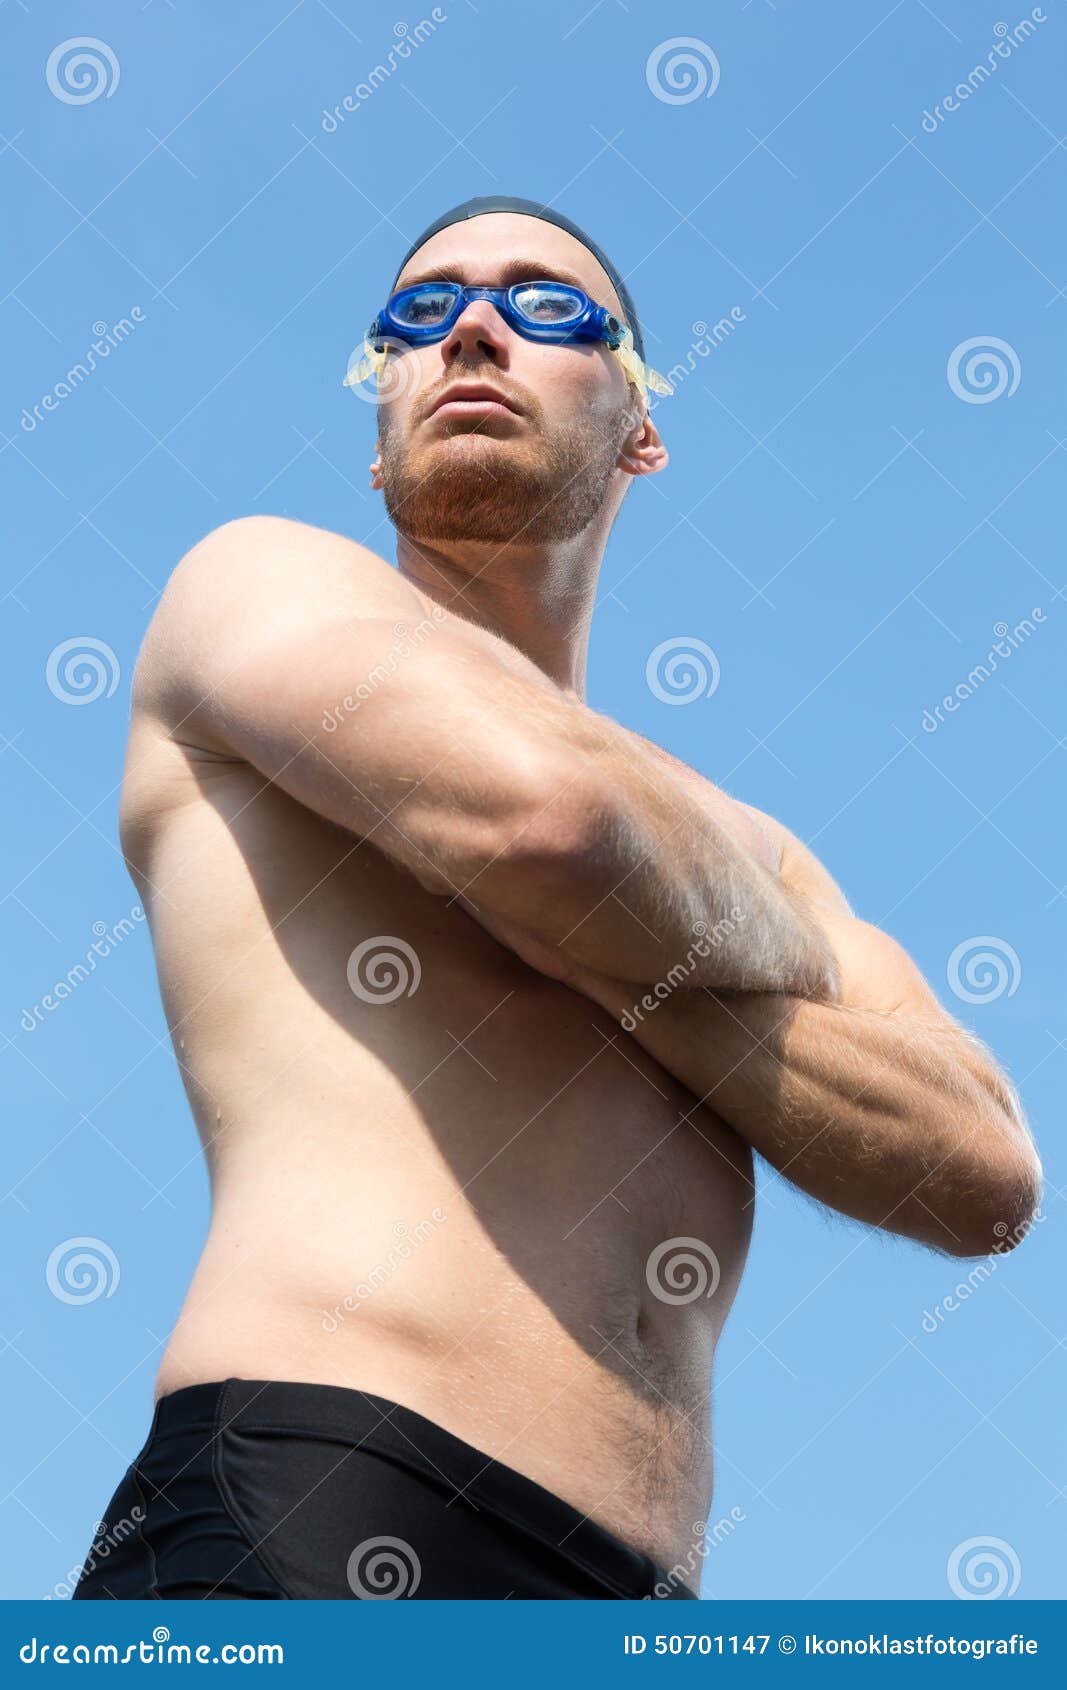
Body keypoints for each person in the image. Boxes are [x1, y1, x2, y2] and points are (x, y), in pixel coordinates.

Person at [73, 197, 1040, 1601]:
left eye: (546, 307)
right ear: (382, 422)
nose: (471, 327)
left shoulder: (751, 842)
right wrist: (716, 954)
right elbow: (552, 822)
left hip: (641, 1599)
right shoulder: (259, 583)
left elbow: (982, 1167)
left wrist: (610, 952)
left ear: (641, 428)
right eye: (422, 312)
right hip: (322, 1497)